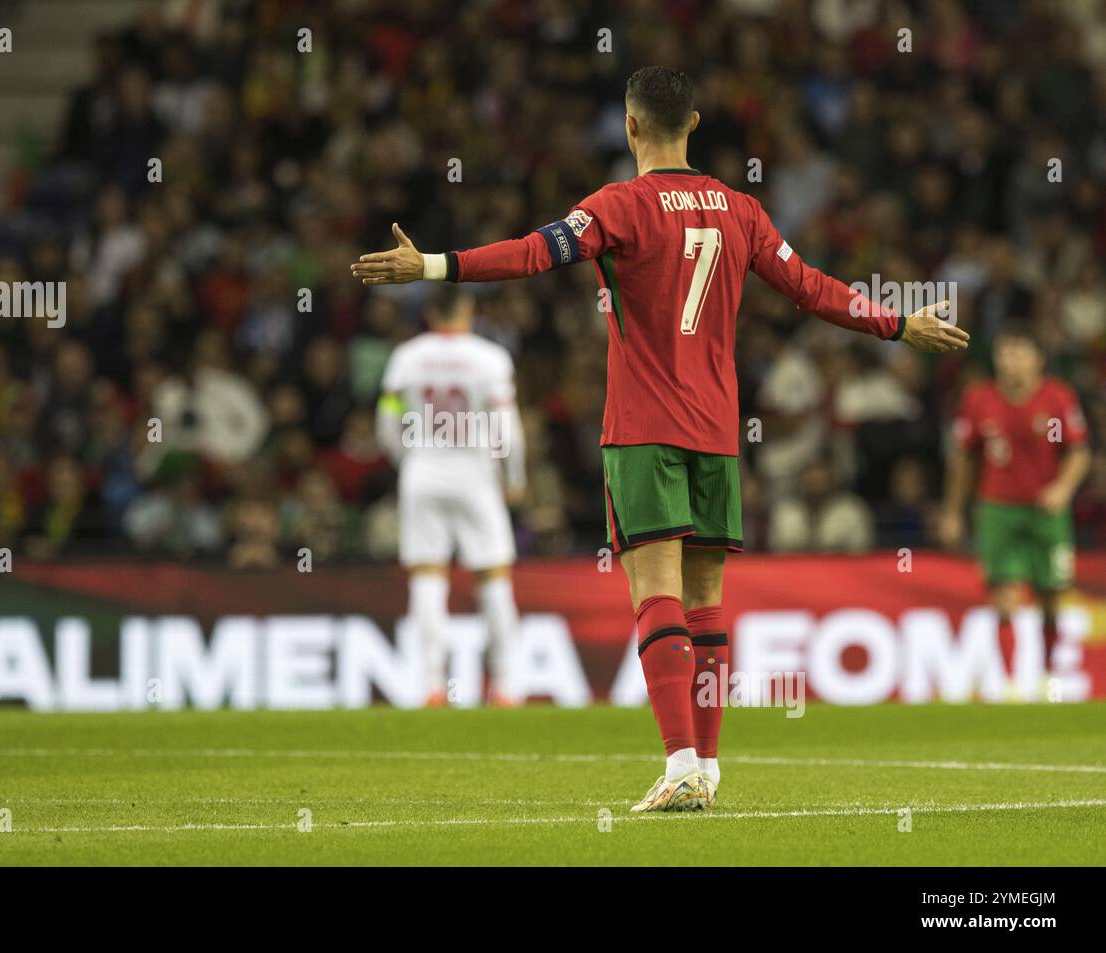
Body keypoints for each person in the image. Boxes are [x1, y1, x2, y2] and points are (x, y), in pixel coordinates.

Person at [351, 66, 967, 811]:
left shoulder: (621, 204)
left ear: (630, 126)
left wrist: (434, 265)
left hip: (644, 428)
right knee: (706, 601)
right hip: (716, 429)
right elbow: (811, 287)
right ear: (696, 123)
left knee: (656, 595)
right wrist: (899, 322)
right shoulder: (738, 209)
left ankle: (678, 764)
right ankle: (705, 767)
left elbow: (533, 252)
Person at [376, 286, 526, 708]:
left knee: (427, 576)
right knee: (493, 577)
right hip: (475, 473)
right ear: (469, 310)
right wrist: (513, 473)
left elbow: (386, 420)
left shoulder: (406, 357)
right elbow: (506, 427)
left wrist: (407, 459)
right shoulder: (490, 358)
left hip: (422, 471)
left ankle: (431, 686)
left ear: (429, 313)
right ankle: (506, 687)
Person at [940, 325, 1090, 685]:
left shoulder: (1058, 398)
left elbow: (1079, 451)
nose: (1011, 362)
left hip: (1046, 512)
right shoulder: (979, 400)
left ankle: (1049, 679)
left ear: (1038, 359)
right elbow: (964, 459)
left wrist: (1062, 488)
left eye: (1019, 353)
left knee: (1050, 598)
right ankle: (1009, 686)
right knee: (1004, 598)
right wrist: (951, 512)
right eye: (1004, 353)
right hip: (997, 509)